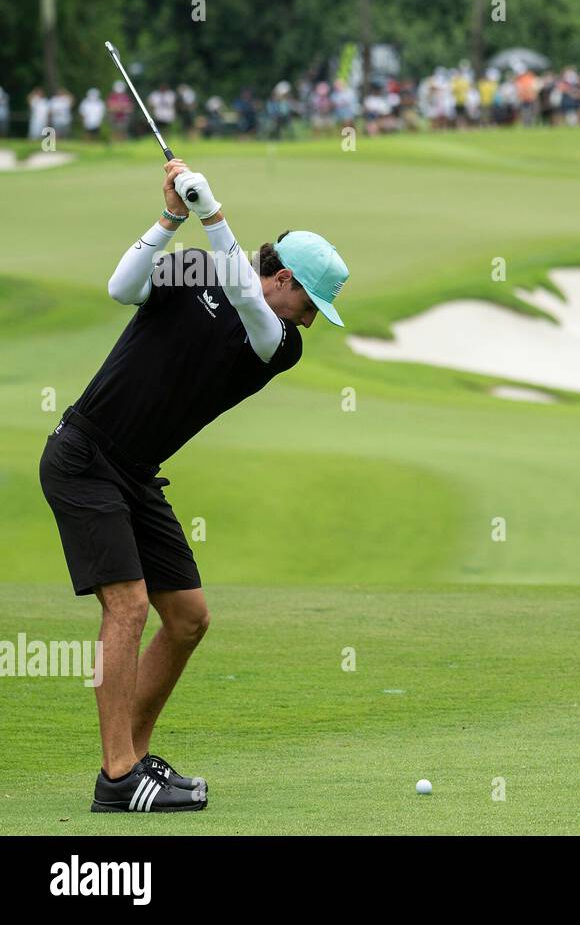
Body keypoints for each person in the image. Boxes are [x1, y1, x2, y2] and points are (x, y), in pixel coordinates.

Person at [38, 157, 350, 812]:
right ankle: (119, 777)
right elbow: (122, 287)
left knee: (187, 619)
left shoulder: (278, 342)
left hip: (135, 475)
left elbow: (246, 300)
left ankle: (133, 756)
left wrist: (212, 215)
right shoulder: (199, 267)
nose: (310, 321)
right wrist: (172, 217)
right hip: (84, 456)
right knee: (127, 607)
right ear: (285, 278)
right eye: (310, 304)